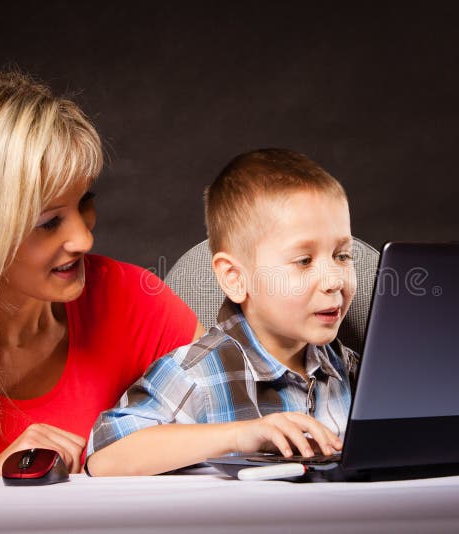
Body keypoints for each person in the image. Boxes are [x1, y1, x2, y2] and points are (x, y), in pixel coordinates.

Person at [0, 71, 205, 476]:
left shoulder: (130, 297)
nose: (84, 239)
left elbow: (236, 405)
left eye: (84, 201)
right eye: (49, 222)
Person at [85, 148, 358, 476]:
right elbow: (104, 454)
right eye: (304, 261)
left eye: (342, 256)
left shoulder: (350, 369)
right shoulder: (197, 373)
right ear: (235, 278)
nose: (334, 280)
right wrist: (239, 435)